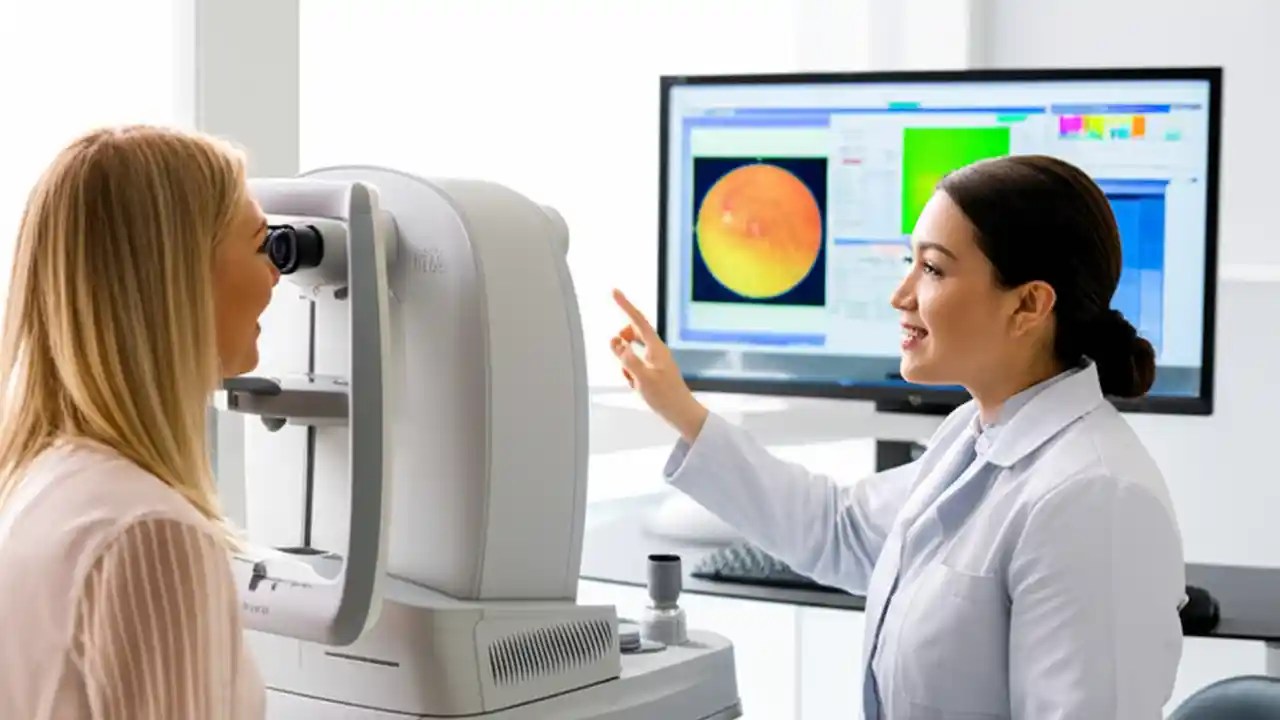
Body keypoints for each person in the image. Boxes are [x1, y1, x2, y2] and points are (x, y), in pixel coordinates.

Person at [612, 154, 1185, 719]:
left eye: (932, 269)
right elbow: (840, 530)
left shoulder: (1096, 499)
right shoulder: (973, 432)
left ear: (1029, 304)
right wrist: (680, 409)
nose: (901, 294)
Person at [0, 126, 277, 718]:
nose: (275, 277)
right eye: (260, 247)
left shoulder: (41, 488)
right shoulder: (151, 534)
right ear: (180, 276)